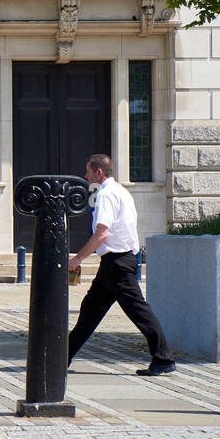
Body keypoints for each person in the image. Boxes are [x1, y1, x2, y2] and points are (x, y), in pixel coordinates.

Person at [67, 153, 176, 376]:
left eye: (88, 171)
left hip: (117, 264)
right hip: (116, 262)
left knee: (139, 312)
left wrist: (77, 259)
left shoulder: (106, 194)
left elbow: (102, 233)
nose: (85, 176)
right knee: (89, 311)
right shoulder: (121, 192)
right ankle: (61, 358)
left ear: (98, 172)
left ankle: (164, 358)